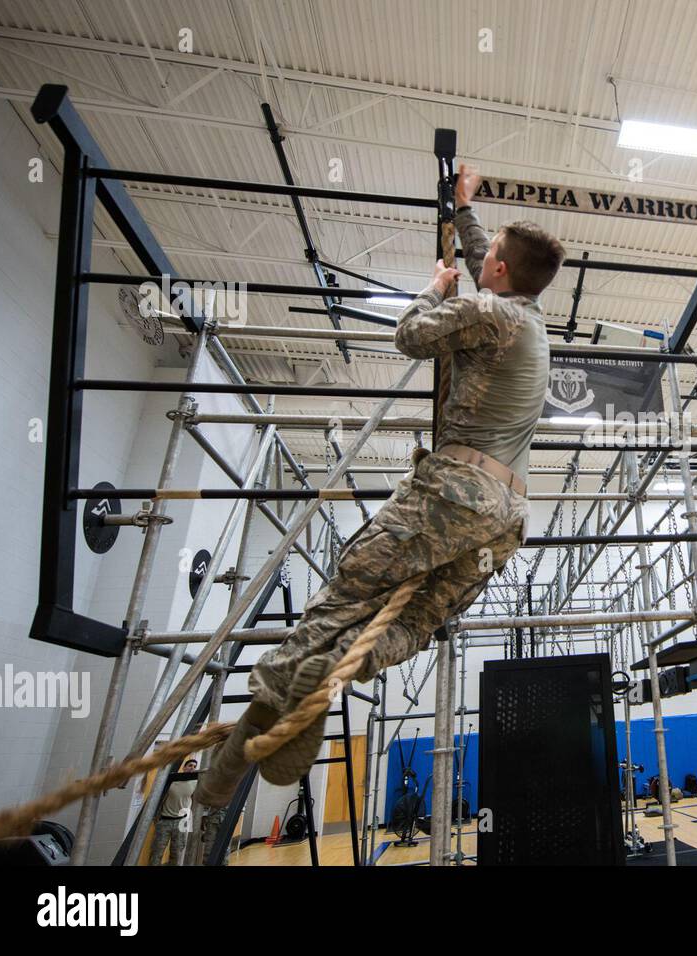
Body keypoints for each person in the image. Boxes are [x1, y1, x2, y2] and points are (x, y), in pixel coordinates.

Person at [196, 163, 564, 850]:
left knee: (349, 588)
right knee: (419, 619)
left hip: (455, 491)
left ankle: (261, 718)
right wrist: (462, 211)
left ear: (503, 270)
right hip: (507, 515)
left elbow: (411, 336)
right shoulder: (531, 316)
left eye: (492, 258)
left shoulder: (488, 310)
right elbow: (493, 257)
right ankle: (333, 675)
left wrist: (433, 288)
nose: (483, 261)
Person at [149, 757, 197, 866]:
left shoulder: (195, 782)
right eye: (190, 766)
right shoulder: (172, 779)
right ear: (184, 768)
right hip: (165, 820)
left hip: (182, 822)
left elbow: (197, 799)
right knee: (156, 852)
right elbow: (159, 797)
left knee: (177, 854)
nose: (192, 768)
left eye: (194, 767)